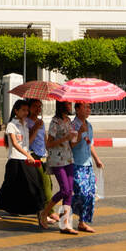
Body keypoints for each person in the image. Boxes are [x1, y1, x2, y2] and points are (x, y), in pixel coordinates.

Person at [0, 99, 48, 229]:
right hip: (15, 160)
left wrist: (37, 128)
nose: (26, 112)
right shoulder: (11, 125)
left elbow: (28, 142)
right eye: (23, 110)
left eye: (27, 110)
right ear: (16, 111)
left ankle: (40, 212)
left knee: (35, 185)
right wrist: (27, 155)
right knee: (8, 186)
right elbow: (15, 144)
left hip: (26, 159)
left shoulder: (25, 124)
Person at [70, 101, 105, 233]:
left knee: (90, 194)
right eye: (85, 107)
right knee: (82, 193)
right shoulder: (73, 125)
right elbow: (71, 145)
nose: (88, 110)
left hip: (88, 164)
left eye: (89, 107)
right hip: (76, 164)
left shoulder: (89, 126)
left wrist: (97, 159)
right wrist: (79, 133)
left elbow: (90, 144)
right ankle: (66, 209)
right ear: (77, 109)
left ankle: (82, 222)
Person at [45, 100, 78, 234]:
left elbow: (72, 144)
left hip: (69, 158)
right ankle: (45, 211)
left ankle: (65, 225)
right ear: (62, 106)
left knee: (69, 191)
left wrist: (78, 136)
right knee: (64, 190)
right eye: (68, 104)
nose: (71, 106)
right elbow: (49, 144)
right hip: (57, 160)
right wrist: (65, 138)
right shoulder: (55, 122)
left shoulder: (69, 120)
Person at [25, 99, 54, 221]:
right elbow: (27, 142)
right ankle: (49, 212)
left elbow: (45, 139)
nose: (38, 109)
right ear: (29, 108)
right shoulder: (26, 122)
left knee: (49, 184)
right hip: (33, 155)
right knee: (45, 183)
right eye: (35, 106)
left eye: (40, 107)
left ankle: (41, 209)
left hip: (43, 155)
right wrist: (35, 128)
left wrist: (50, 151)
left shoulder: (41, 122)